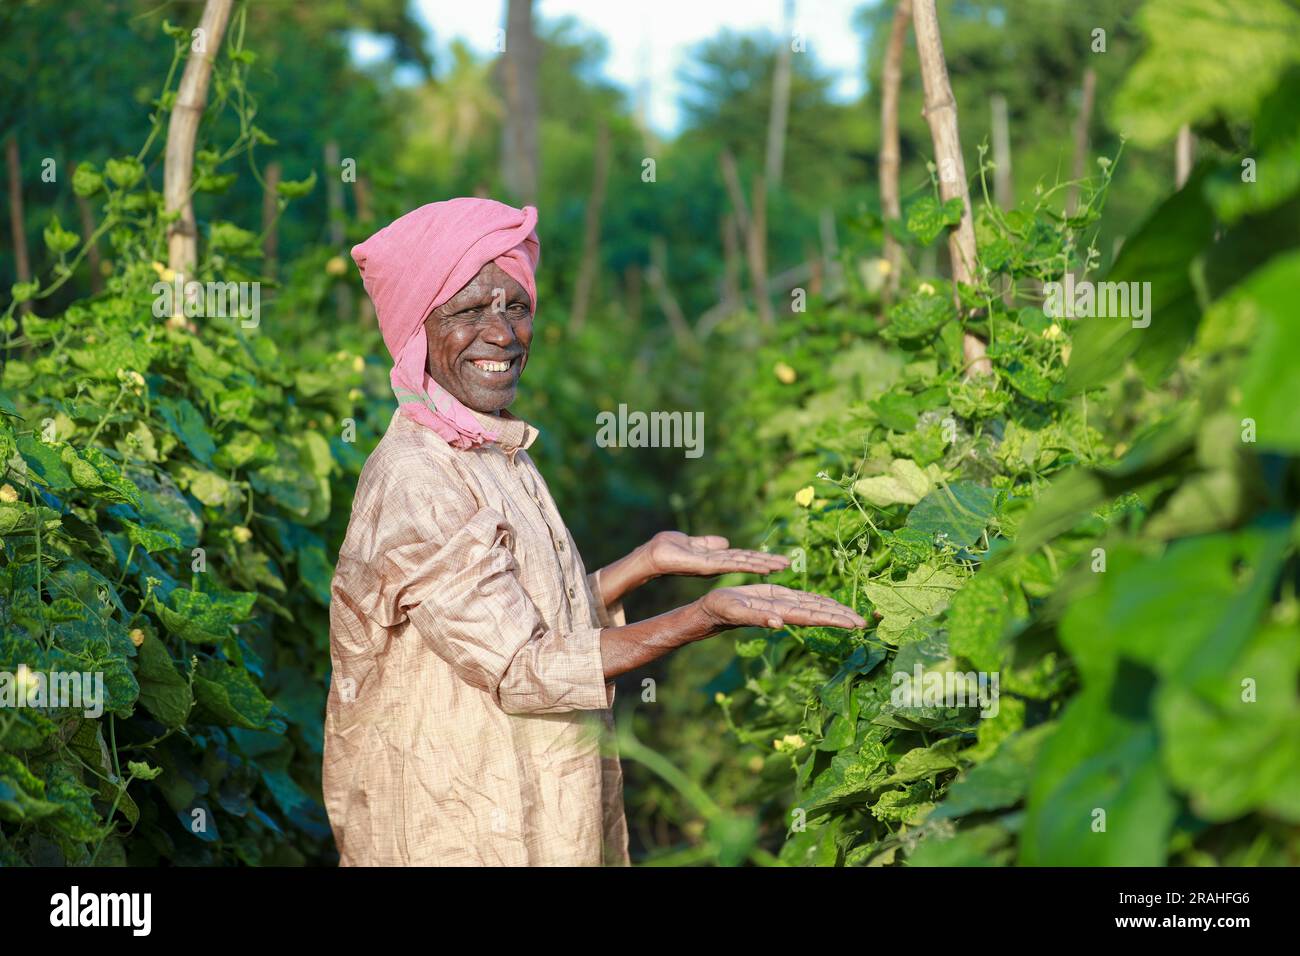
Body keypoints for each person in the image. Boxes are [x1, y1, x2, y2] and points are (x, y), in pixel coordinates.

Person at [323, 197, 866, 866]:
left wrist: (643, 563)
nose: (502, 334)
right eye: (468, 312)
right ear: (416, 329)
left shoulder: (491, 450)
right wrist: (702, 618)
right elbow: (523, 667)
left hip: (528, 805)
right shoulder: (416, 479)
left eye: (515, 307)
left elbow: (511, 617)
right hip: (451, 826)